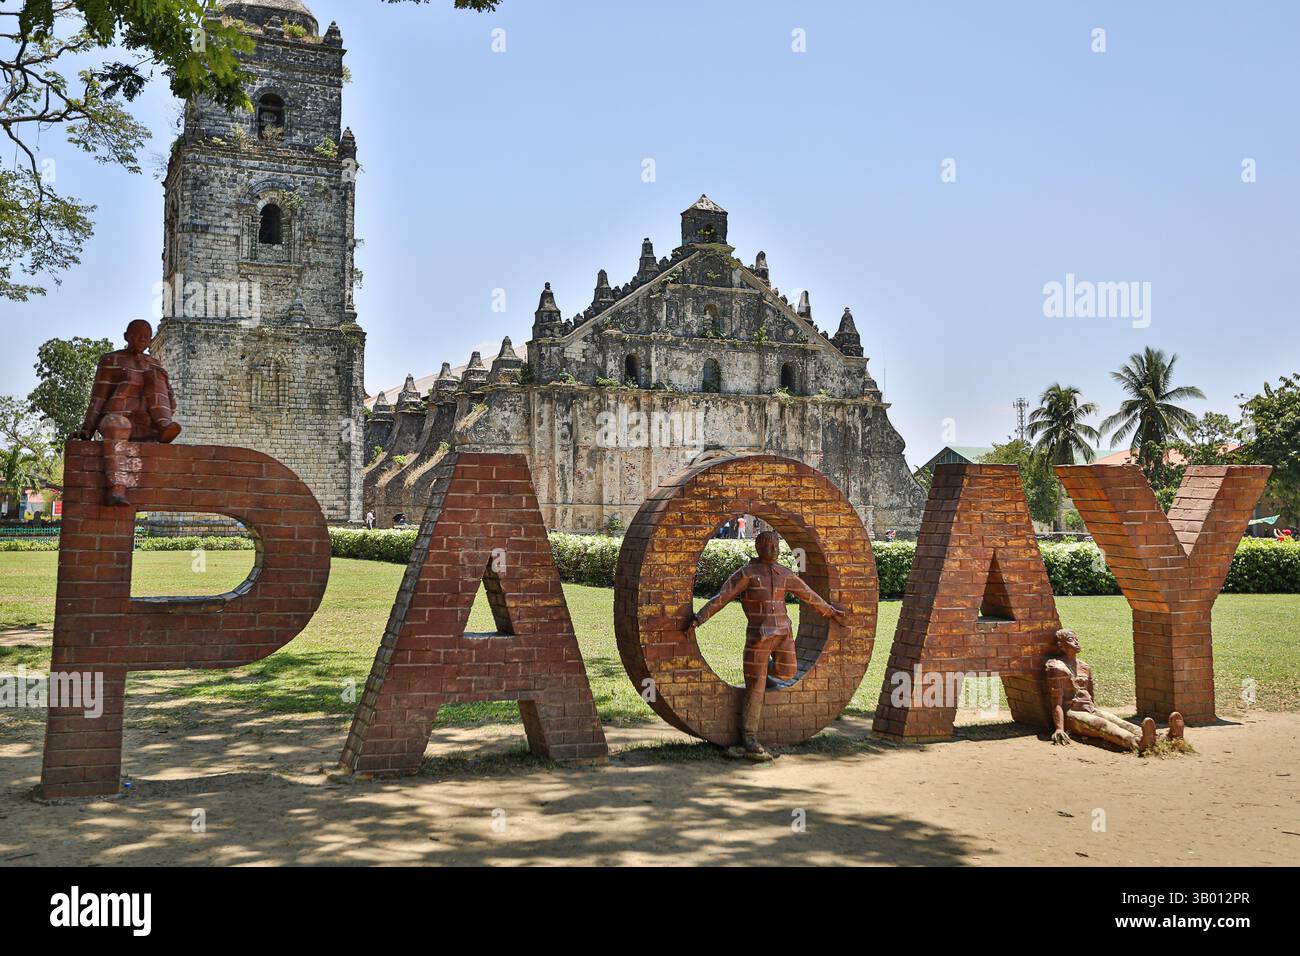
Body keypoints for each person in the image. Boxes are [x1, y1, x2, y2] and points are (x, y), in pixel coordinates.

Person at [685, 530, 847, 761]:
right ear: (758, 549)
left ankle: (765, 674)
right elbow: (722, 598)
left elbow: (809, 595)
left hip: (783, 633)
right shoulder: (747, 574)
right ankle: (749, 738)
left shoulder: (784, 574)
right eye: (769, 547)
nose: (774, 550)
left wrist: (831, 613)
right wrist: (699, 618)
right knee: (755, 687)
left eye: (776, 546)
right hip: (759, 637)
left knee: (788, 671)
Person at [75, 319, 181, 506]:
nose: (142, 339)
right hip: (116, 417)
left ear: (150, 341)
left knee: (154, 377)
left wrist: (160, 378)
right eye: (137, 334)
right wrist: (87, 429)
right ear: (126, 336)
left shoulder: (155, 364)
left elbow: (171, 400)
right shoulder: (111, 360)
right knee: (118, 425)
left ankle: (163, 426)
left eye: (146, 337)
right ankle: (117, 489)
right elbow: (98, 397)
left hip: (146, 423)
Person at [1045, 628, 1185, 753]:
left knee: (1119, 721)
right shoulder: (1057, 667)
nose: (1076, 643)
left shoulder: (1085, 667)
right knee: (1104, 726)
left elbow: (1090, 697)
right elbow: (1056, 701)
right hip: (1072, 713)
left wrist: (1096, 712)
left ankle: (1162, 738)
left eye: (1077, 639)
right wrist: (1059, 728)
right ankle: (1136, 742)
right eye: (1071, 640)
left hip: (1090, 709)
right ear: (1060, 645)